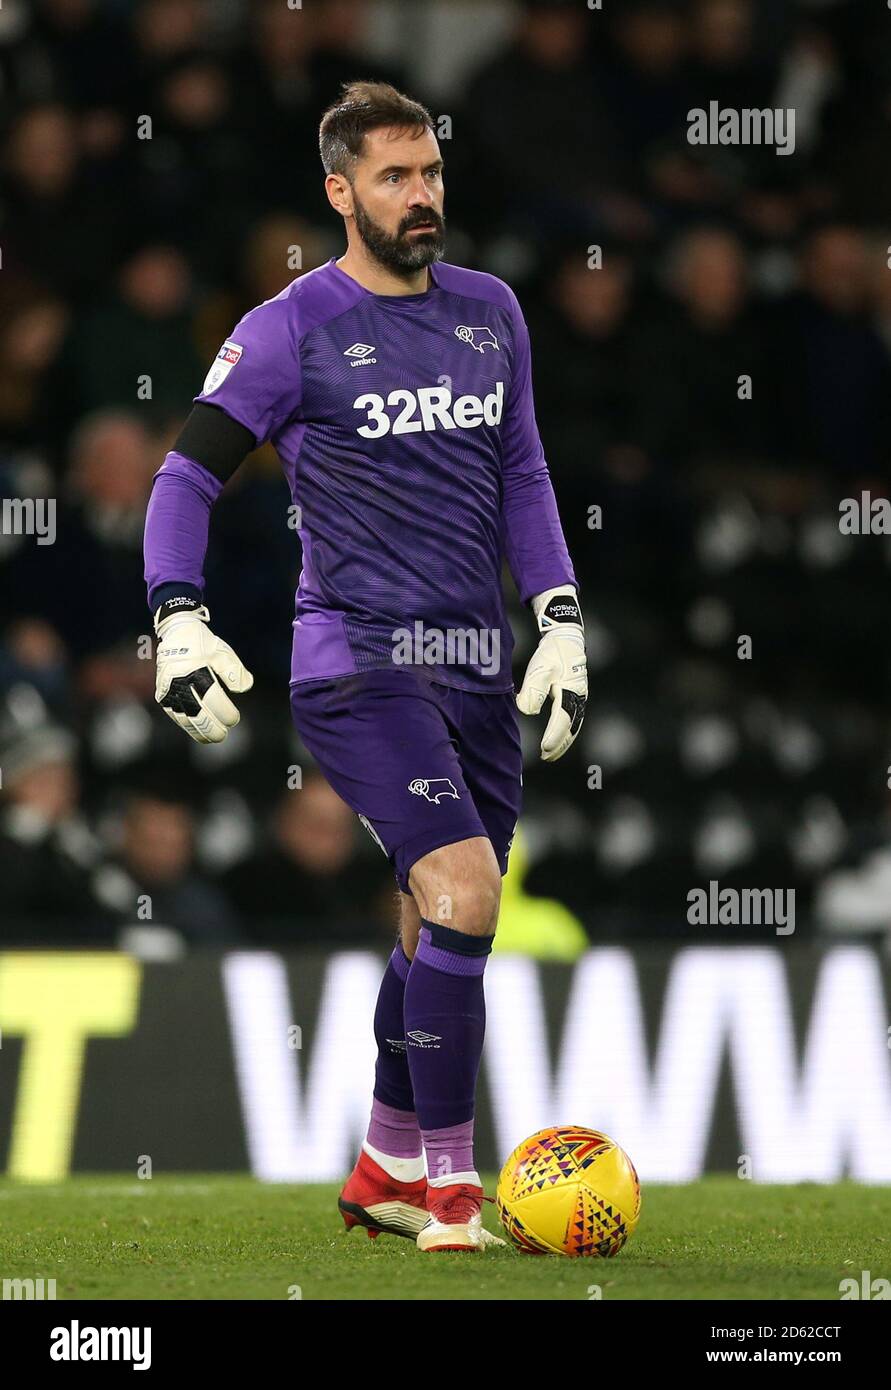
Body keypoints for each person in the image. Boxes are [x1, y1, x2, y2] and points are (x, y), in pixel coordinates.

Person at [143, 81, 587, 1253]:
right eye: (394, 176)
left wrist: (560, 616)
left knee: (436, 920)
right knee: (469, 888)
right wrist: (176, 618)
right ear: (340, 193)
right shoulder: (290, 326)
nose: (422, 194)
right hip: (358, 661)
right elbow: (185, 475)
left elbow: (527, 473)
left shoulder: (493, 311)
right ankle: (450, 1191)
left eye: (431, 170)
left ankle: (384, 1161)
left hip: (477, 663)